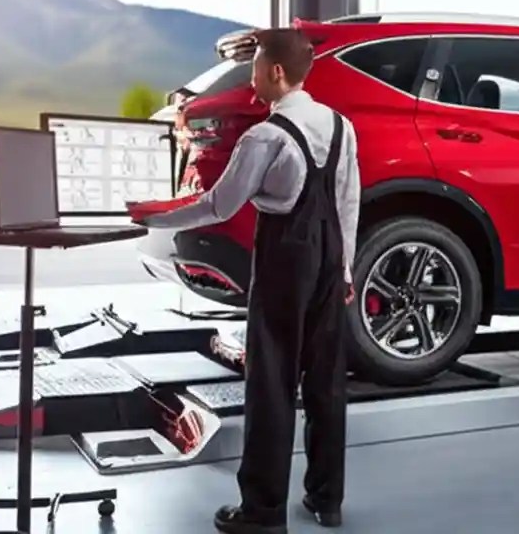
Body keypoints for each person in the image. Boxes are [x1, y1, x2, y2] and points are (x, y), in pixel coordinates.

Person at [135, 27, 360, 534]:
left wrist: (151, 218)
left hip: (286, 259)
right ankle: (327, 499)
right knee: (326, 382)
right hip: (329, 259)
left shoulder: (266, 136)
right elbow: (348, 203)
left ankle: (262, 512)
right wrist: (344, 270)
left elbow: (219, 204)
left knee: (271, 383)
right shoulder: (342, 128)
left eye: (256, 65)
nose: (252, 75)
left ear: (276, 72)